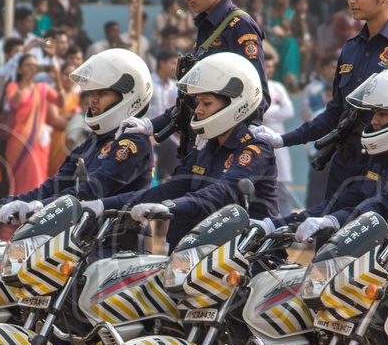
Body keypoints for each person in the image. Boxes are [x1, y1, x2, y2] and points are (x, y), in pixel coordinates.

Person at [252, 0, 388, 209]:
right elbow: (336, 112)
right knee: (325, 238)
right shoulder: (350, 49)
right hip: (342, 166)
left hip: (383, 168)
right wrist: (284, 139)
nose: (351, 0)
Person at [95, 51, 276, 250]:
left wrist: (170, 206)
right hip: (191, 254)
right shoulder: (206, 147)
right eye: (198, 103)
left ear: (236, 103)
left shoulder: (255, 149)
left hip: (243, 260)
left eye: (206, 103)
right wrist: (102, 205)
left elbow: (220, 192)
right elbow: (169, 189)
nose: (198, 110)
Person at [275, 65, 388, 254]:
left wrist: (334, 220)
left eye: (382, 114)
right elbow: (340, 203)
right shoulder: (382, 157)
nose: (374, 121)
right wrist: (275, 225)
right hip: (378, 265)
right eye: (374, 113)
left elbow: (383, 206)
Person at [0, 49, 156, 229]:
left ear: (129, 95)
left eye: (102, 94)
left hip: (120, 247)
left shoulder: (132, 141)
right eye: (92, 94)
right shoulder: (95, 140)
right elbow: (54, 185)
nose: (93, 100)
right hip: (87, 242)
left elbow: (93, 190)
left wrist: (41, 206)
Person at [123, 0, 268, 145]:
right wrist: (151, 125)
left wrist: (232, 141)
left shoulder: (239, 26)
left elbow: (259, 96)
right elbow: (190, 101)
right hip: (201, 141)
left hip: (225, 146)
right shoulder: (206, 26)